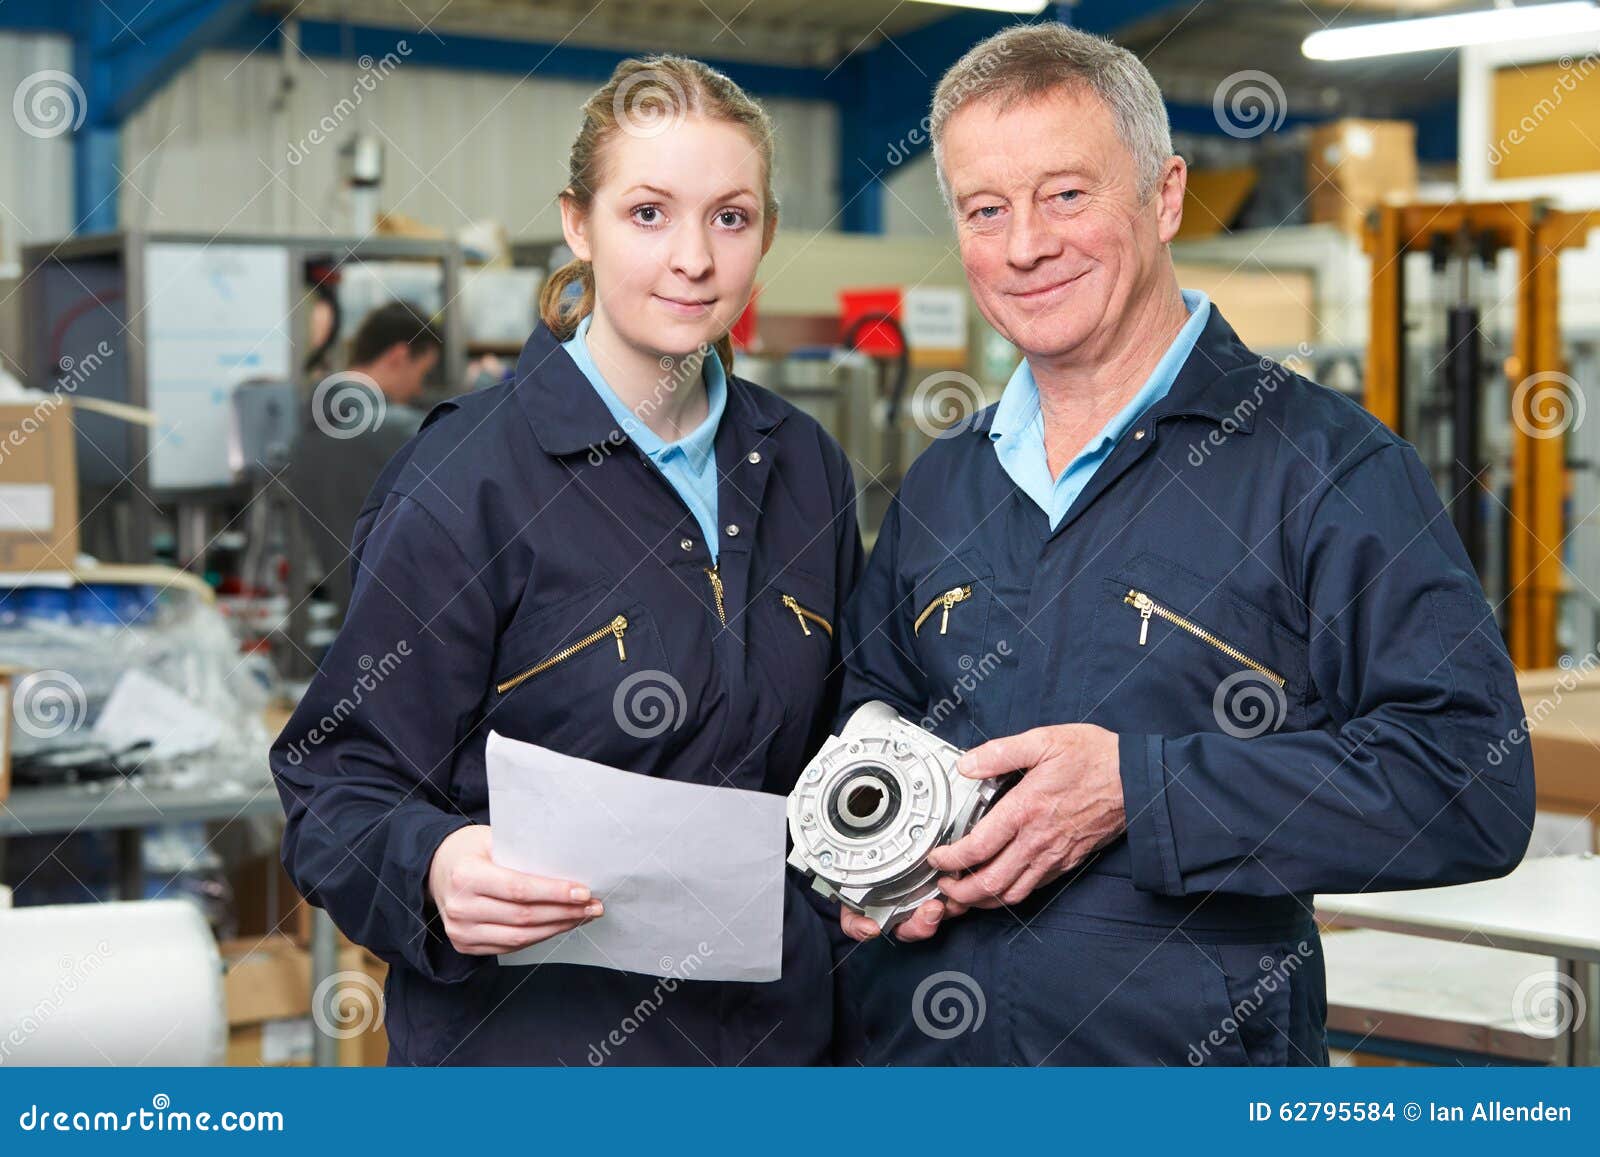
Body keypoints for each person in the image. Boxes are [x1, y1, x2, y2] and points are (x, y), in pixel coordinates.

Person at [831, 23, 1534, 1066]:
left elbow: (1468, 782)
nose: (1023, 244)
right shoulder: (946, 480)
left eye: (1066, 194)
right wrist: (874, 864)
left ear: (1163, 197)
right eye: (985, 209)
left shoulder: (1322, 467)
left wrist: (1144, 790)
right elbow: (866, 713)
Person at [270, 55, 862, 1065]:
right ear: (578, 224)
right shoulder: (467, 480)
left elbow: (842, 739)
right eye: (647, 213)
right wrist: (434, 862)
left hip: (775, 1051)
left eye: (730, 217)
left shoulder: (802, 462)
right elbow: (335, 788)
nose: (693, 258)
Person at [290, 300, 441, 618]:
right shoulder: (399, 431)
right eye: (422, 373)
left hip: (352, 621)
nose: (418, 389)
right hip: (413, 624)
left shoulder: (306, 429)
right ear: (398, 356)